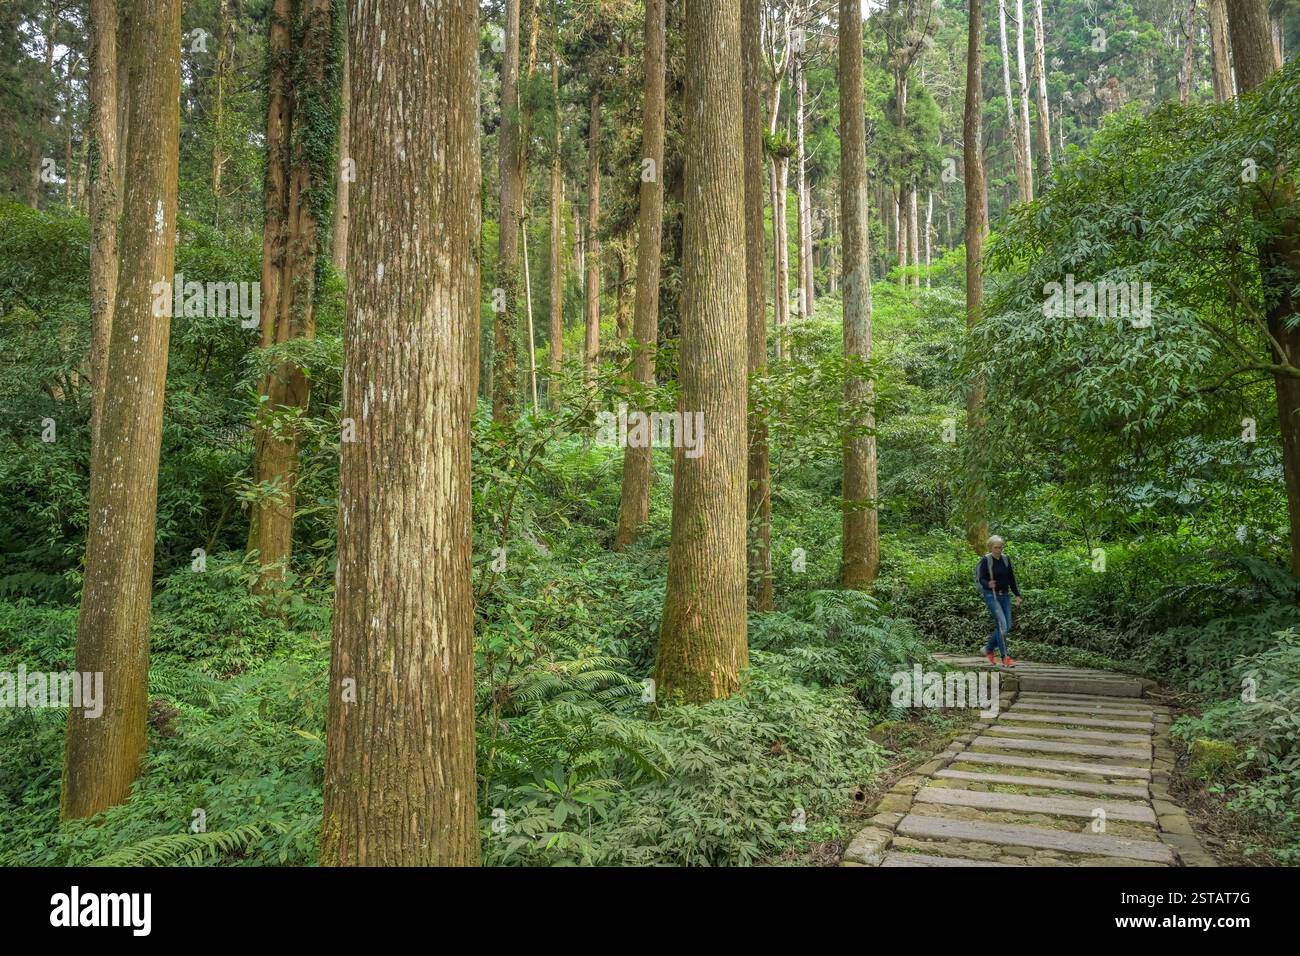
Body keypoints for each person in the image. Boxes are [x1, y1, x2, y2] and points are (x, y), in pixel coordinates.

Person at [976, 535, 1022, 667]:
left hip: (1005, 596)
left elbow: (1011, 579)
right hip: (992, 596)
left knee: (1007, 626)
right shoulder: (986, 560)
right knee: (1002, 625)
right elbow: (981, 578)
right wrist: (988, 584)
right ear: (990, 547)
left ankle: (989, 648)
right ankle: (1005, 658)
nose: (998, 550)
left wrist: (1017, 595)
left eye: (1000, 547)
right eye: (996, 547)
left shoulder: (1006, 559)